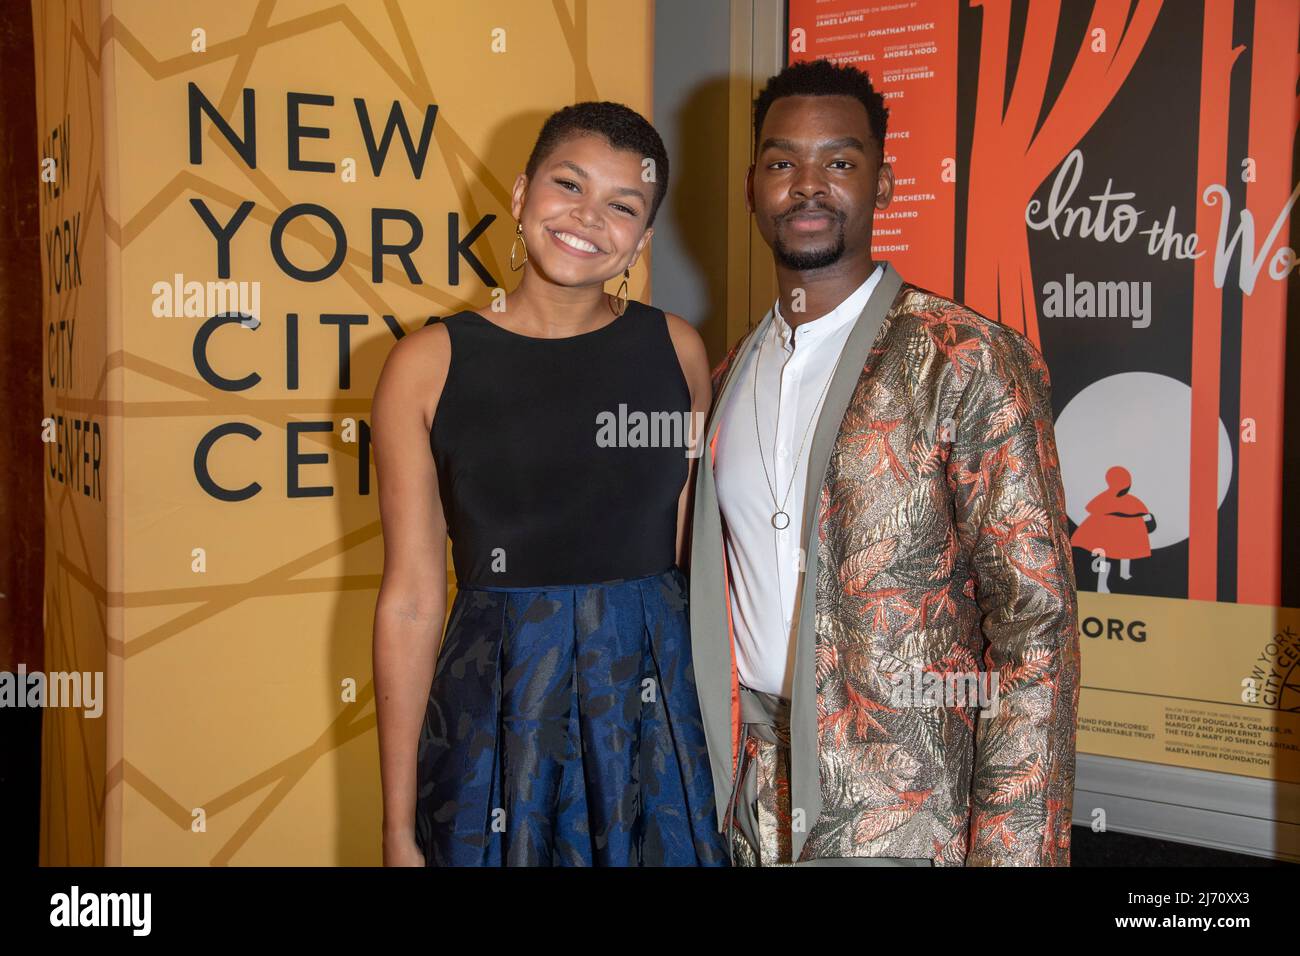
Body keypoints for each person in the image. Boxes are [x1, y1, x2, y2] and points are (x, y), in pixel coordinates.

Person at [689, 59, 1081, 866]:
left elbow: (1034, 630)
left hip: (911, 812)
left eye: (839, 161)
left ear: (885, 184)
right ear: (751, 186)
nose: (807, 185)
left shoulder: (964, 359)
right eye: (781, 162)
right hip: (748, 806)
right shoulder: (725, 377)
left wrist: (1011, 854)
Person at [372, 101, 727, 866]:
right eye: (568, 185)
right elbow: (409, 598)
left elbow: (686, 564)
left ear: (643, 238)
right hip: (494, 723)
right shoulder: (425, 365)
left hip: (647, 724)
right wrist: (397, 830)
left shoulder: (678, 350)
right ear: (520, 193)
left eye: (621, 205)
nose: (587, 217)